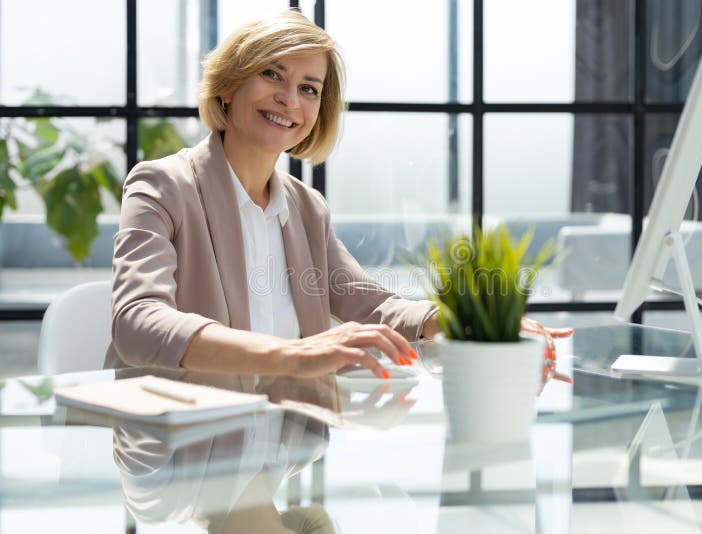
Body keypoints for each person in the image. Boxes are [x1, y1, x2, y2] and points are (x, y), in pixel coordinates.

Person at [104, 10, 571, 379]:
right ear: (228, 84)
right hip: (174, 453)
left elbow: (372, 306)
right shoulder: (162, 185)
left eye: (309, 88)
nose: (291, 99)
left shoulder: (306, 208)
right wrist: (292, 355)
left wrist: (474, 323)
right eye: (272, 74)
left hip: (277, 450)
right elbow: (137, 323)